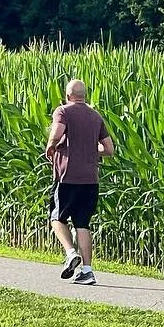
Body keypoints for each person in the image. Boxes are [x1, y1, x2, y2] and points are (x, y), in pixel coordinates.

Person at [43, 78, 114, 286]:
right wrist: (92, 149)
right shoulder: (95, 116)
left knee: (57, 218)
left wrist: (51, 146)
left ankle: (70, 253)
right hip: (90, 179)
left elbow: (57, 133)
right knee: (82, 223)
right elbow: (109, 149)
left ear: (68, 96)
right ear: (85, 95)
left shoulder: (63, 111)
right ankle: (87, 271)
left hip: (67, 176)